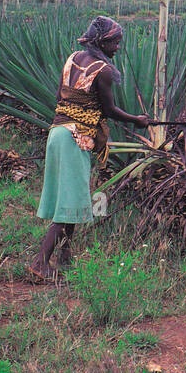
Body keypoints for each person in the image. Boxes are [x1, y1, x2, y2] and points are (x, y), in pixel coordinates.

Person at [29, 16, 149, 281]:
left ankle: (65, 257)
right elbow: (108, 110)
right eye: (115, 42)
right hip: (75, 138)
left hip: (58, 133)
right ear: (102, 41)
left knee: (71, 197)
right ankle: (40, 262)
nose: (118, 47)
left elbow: (62, 96)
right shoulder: (102, 70)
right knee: (69, 200)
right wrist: (136, 121)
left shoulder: (73, 58)